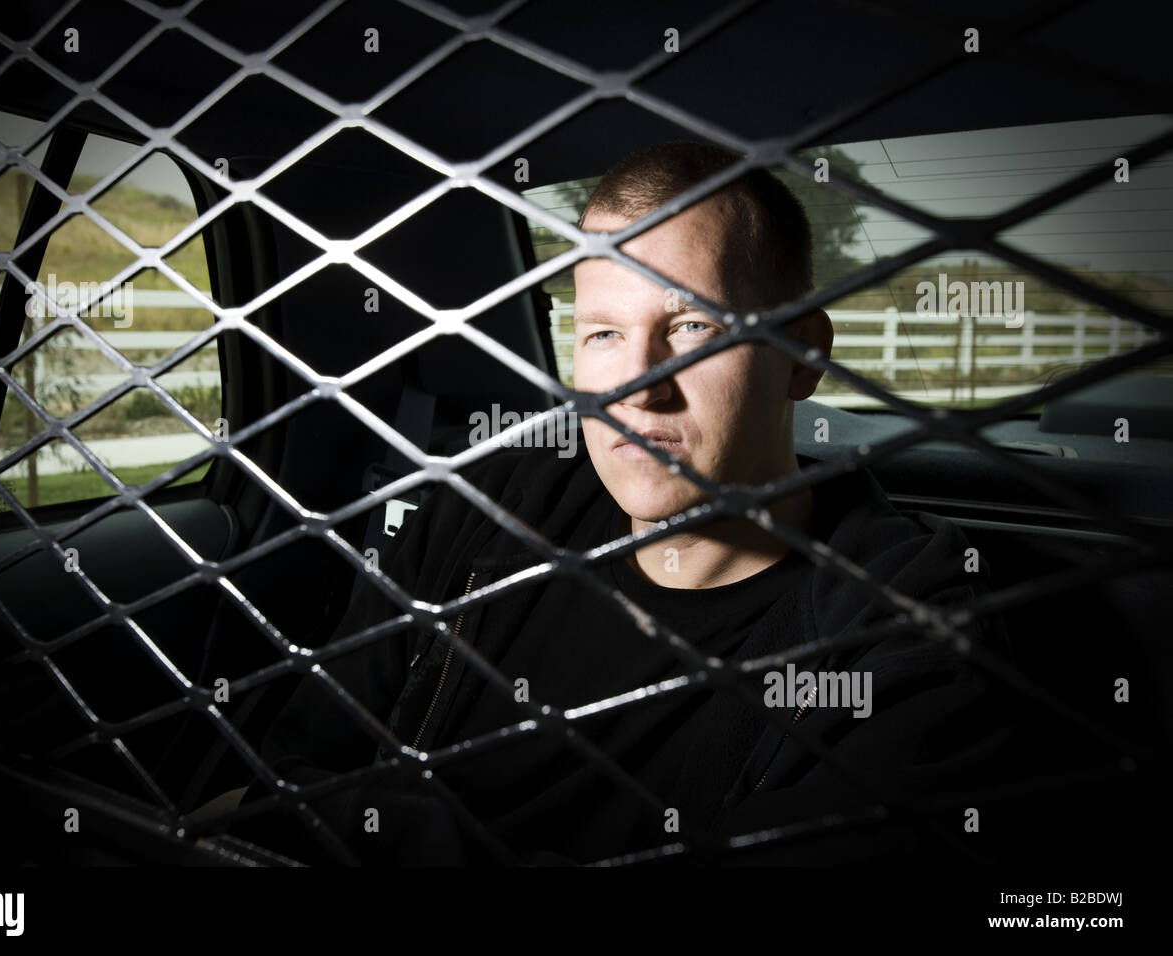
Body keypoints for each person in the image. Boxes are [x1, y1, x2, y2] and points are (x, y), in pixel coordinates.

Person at [238, 141, 1021, 865]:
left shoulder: (900, 624)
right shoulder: (484, 509)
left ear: (800, 357)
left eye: (691, 326)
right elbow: (296, 770)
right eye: (605, 335)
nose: (639, 391)